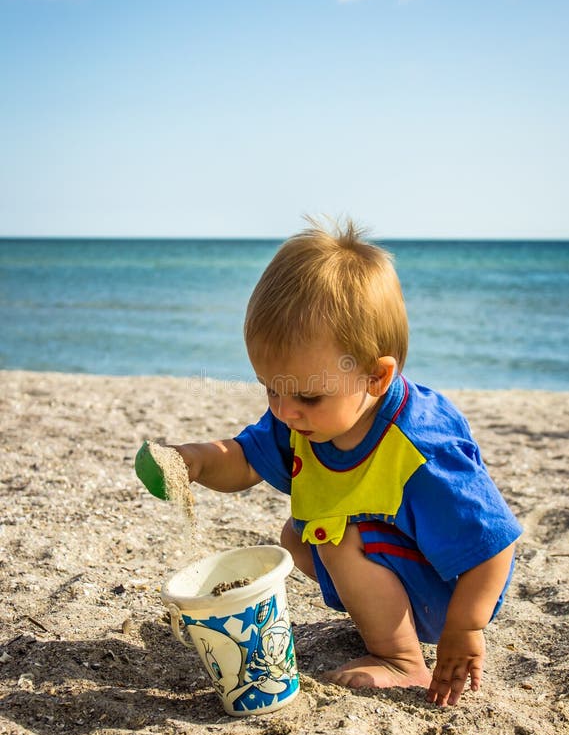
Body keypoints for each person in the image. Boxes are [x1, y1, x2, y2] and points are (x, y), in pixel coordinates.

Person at [145, 219, 522, 707]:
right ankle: (383, 620)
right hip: (397, 557)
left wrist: (465, 628)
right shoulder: (305, 415)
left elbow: (492, 544)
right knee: (295, 534)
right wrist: (193, 461)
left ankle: (401, 659)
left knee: (334, 533)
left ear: (376, 377)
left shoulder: (421, 447)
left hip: (454, 588)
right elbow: (244, 460)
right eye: (270, 388)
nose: (283, 410)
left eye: (305, 395)